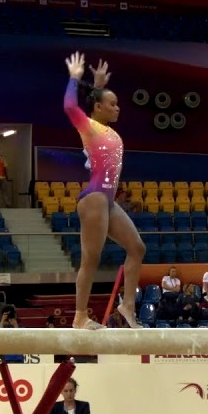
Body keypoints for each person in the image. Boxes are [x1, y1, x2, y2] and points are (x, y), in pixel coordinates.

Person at [63, 52, 144, 330]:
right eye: (112, 104)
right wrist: (75, 78)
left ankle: (128, 307)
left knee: (137, 248)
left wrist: (97, 82)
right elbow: (70, 107)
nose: (117, 108)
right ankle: (80, 316)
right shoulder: (90, 127)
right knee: (91, 258)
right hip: (95, 198)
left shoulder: (107, 129)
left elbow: (94, 99)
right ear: (98, 107)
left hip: (107, 200)